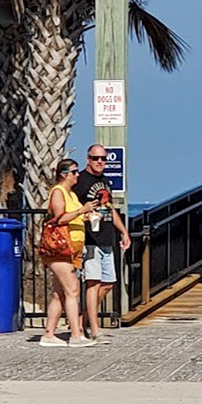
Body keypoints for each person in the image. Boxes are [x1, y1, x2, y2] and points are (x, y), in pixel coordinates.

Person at [40, 159, 98, 347]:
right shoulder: (58, 192)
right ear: (64, 174)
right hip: (60, 248)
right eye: (74, 172)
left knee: (60, 293)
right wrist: (82, 209)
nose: (77, 175)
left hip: (73, 249)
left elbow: (74, 216)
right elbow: (59, 218)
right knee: (73, 290)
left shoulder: (71, 194)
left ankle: (49, 334)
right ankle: (75, 334)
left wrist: (87, 216)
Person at [76, 144, 131, 342]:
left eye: (103, 159)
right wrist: (85, 213)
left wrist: (123, 231)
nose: (100, 162)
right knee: (93, 283)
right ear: (88, 159)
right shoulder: (80, 181)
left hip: (107, 237)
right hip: (90, 240)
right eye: (95, 158)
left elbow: (110, 207)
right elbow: (73, 208)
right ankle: (94, 328)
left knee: (108, 283)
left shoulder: (105, 181)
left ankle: (83, 319)